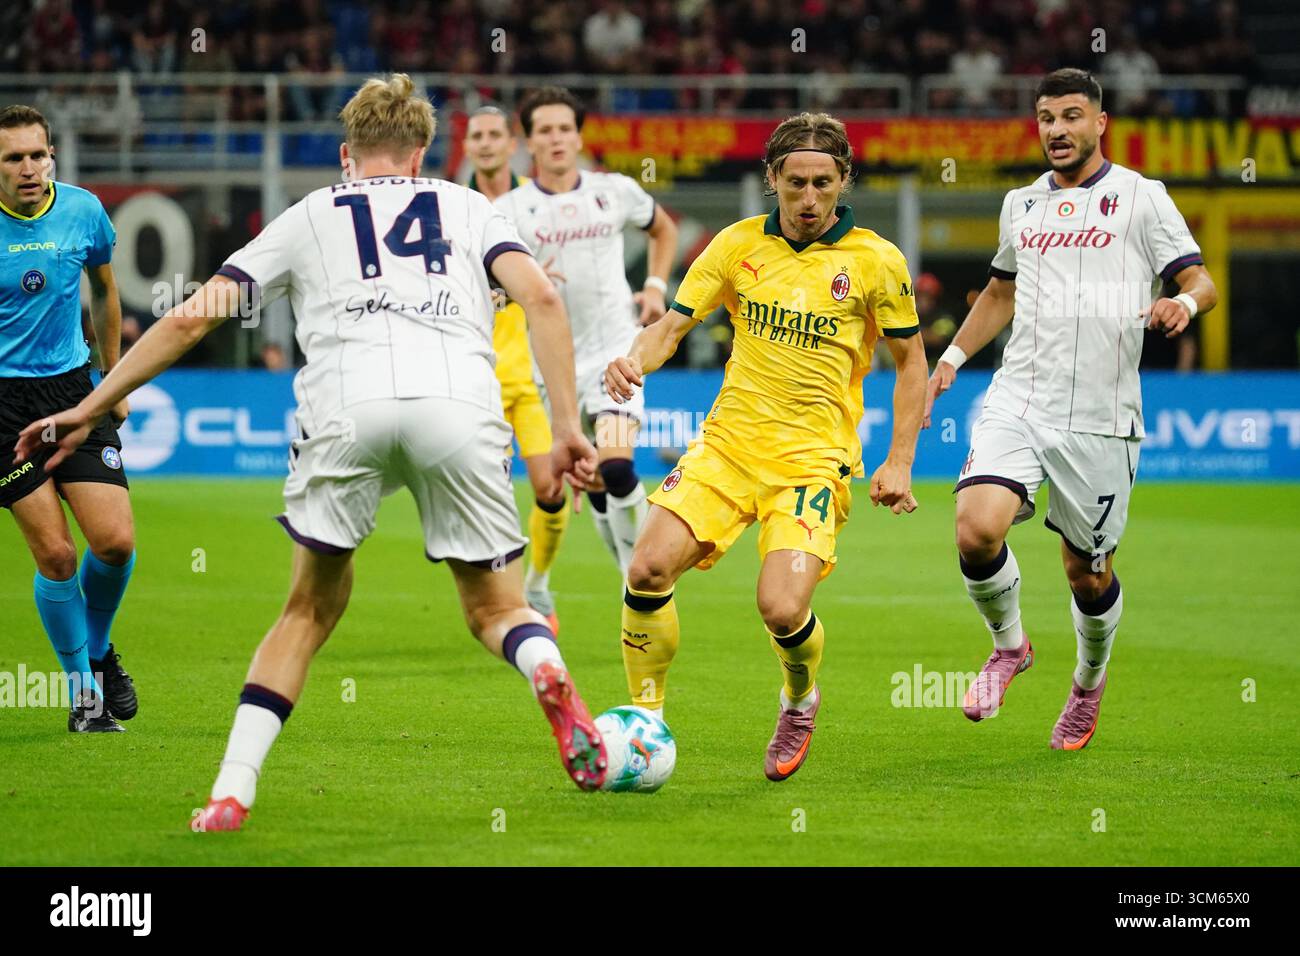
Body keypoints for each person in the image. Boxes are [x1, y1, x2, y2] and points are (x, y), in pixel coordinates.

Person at [16, 74, 607, 830]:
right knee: (498, 608)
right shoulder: (469, 206)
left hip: (344, 409)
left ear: (345, 154)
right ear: (423, 154)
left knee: (308, 610)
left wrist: (89, 406)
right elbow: (545, 300)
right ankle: (547, 668)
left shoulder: (309, 213)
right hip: (459, 408)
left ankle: (232, 789)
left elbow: (192, 319)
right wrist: (565, 430)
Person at [605, 112, 926, 781]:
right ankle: (646, 722)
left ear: (843, 181)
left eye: (824, 183)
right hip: (727, 448)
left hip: (812, 459)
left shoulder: (876, 262)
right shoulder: (734, 245)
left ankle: (799, 697)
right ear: (772, 178)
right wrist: (634, 359)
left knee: (782, 607)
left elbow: (911, 364)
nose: (810, 199)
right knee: (646, 570)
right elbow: (671, 326)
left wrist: (899, 461)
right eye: (796, 183)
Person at [924, 69, 1217, 749]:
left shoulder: (1143, 198)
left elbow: (1198, 278)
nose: (1057, 129)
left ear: (1100, 123)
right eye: (1046, 117)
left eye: (1071, 116)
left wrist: (1185, 302)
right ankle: (1009, 647)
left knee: (1087, 572)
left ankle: (1088, 682)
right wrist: (954, 358)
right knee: (975, 528)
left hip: (1101, 416)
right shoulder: (1019, 204)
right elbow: (1000, 293)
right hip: (1021, 397)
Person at [493, 86, 679, 579]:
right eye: (544, 131)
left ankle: (637, 580)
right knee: (594, 479)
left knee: (617, 467)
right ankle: (631, 576)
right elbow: (490, 283)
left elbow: (664, 229)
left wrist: (655, 288)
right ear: (527, 142)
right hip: (553, 370)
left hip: (617, 354)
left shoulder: (614, 190)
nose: (556, 139)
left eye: (564, 129)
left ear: (578, 136)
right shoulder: (509, 211)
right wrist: (508, 290)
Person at [0, 104, 137, 733]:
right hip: (3, 408)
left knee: (114, 542)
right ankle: (84, 694)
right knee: (56, 554)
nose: (28, 168)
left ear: (52, 156)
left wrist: (111, 380)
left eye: (37, 154)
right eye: (13, 158)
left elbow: (107, 290)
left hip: (71, 393)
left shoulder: (83, 210)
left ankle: (101, 652)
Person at [461, 104, 568, 631]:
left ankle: (538, 587)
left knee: (551, 488)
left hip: (526, 382)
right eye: (475, 135)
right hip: (473, 383)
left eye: (493, 135)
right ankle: (507, 608)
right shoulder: (453, 208)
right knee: (495, 500)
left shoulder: (535, 207)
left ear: (511, 144)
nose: (484, 143)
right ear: (467, 148)